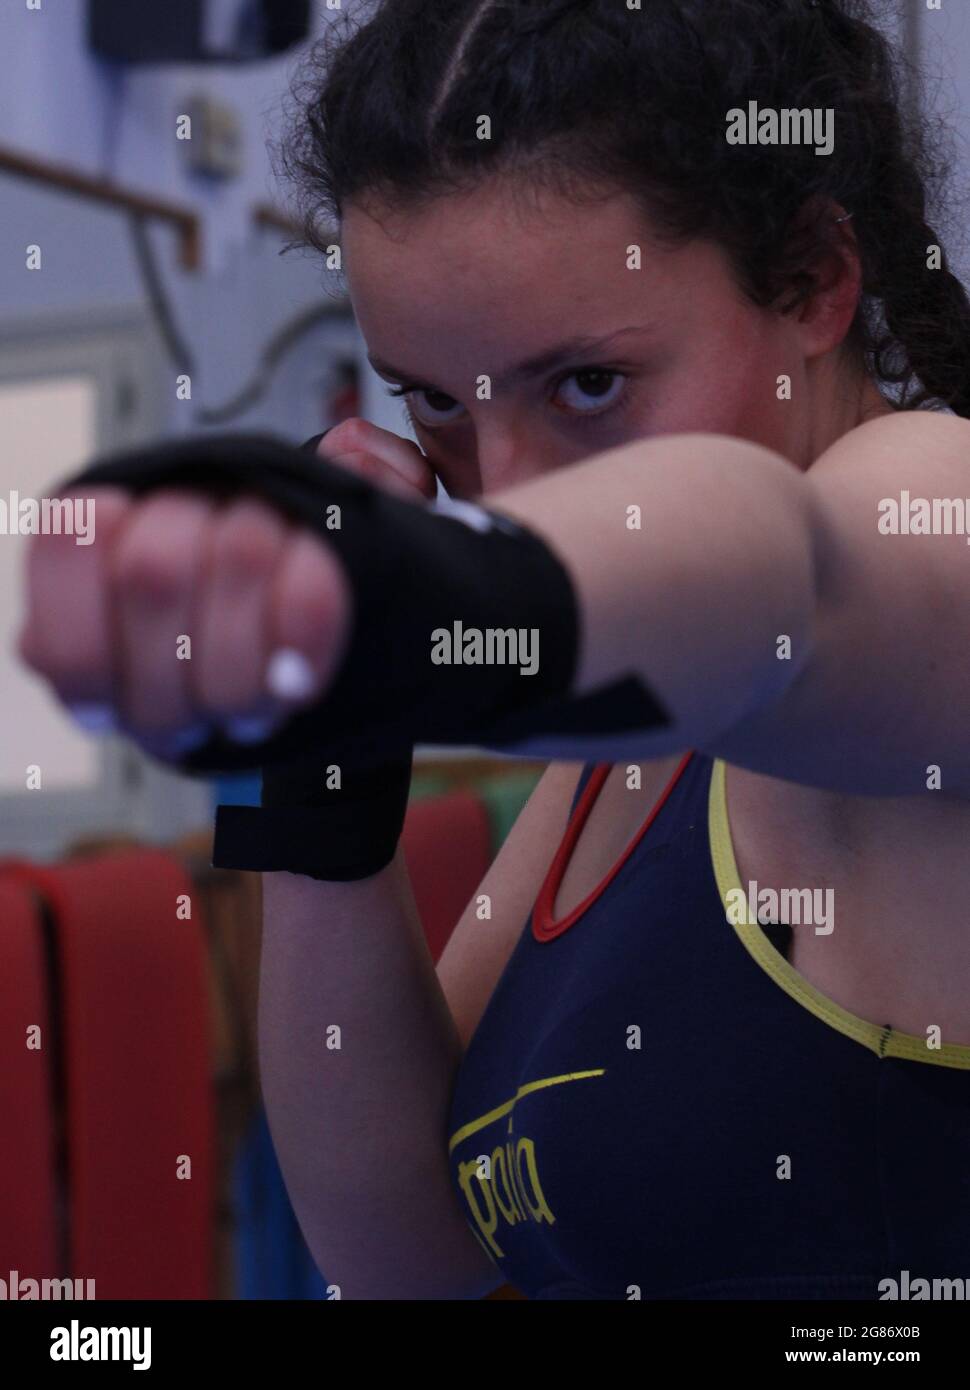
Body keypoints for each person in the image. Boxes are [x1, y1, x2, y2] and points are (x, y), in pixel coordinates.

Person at [19, 0, 970, 1300]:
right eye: (432, 402)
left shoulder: (921, 503)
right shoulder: (640, 725)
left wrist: (426, 588)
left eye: (585, 384)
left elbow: (788, 575)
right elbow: (414, 1252)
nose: (504, 484)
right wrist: (318, 760)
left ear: (811, 277)